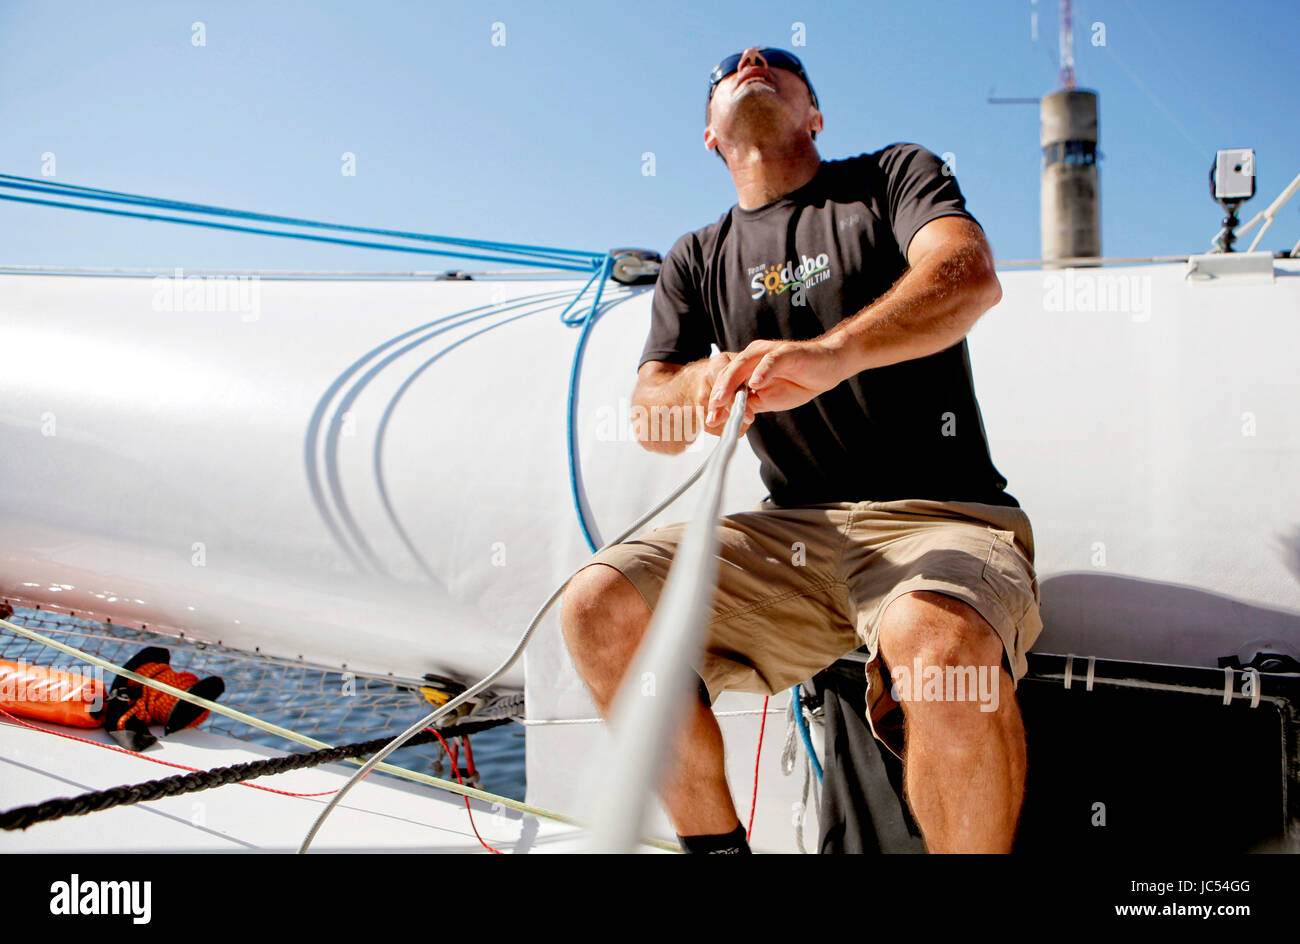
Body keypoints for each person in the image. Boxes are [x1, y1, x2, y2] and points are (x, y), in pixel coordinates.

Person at [561, 46, 1042, 854]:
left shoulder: (892, 177)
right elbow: (653, 415)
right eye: (727, 66)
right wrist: (709, 380)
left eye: (778, 61)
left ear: (816, 115)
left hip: (941, 517)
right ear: (709, 137)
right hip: (792, 535)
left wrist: (832, 353)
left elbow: (967, 275)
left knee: (938, 647)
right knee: (599, 605)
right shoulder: (695, 257)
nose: (751, 59)